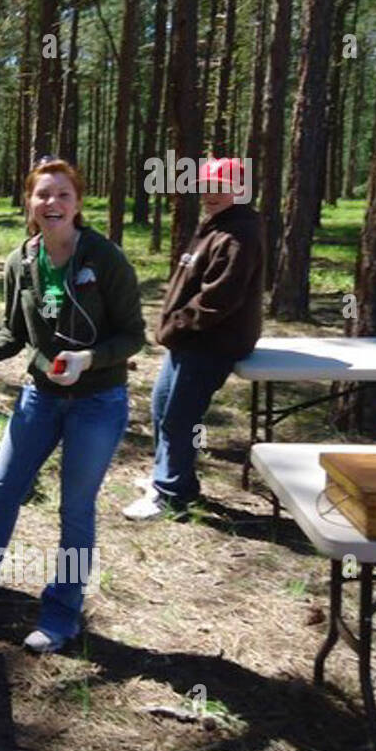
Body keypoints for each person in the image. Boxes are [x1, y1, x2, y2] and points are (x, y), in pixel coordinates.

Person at [0, 158, 144, 653]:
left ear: (78, 202)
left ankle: (62, 615)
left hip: (97, 402)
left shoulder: (105, 258)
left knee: (75, 511)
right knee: (1, 494)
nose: (52, 203)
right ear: (30, 203)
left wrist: (90, 358)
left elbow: (134, 336)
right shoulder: (21, 261)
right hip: (40, 397)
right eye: (43, 194)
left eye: (63, 194)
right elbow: (13, 333)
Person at [124, 157, 264, 520]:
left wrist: (176, 326)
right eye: (206, 187)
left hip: (210, 343)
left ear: (238, 189)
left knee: (179, 416)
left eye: (220, 187)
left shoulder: (239, 234)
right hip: (190, 340)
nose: (211, 194)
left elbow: (219, 300)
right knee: (162, 408)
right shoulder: (216, 225)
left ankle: (171, 496)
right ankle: (171, 479)